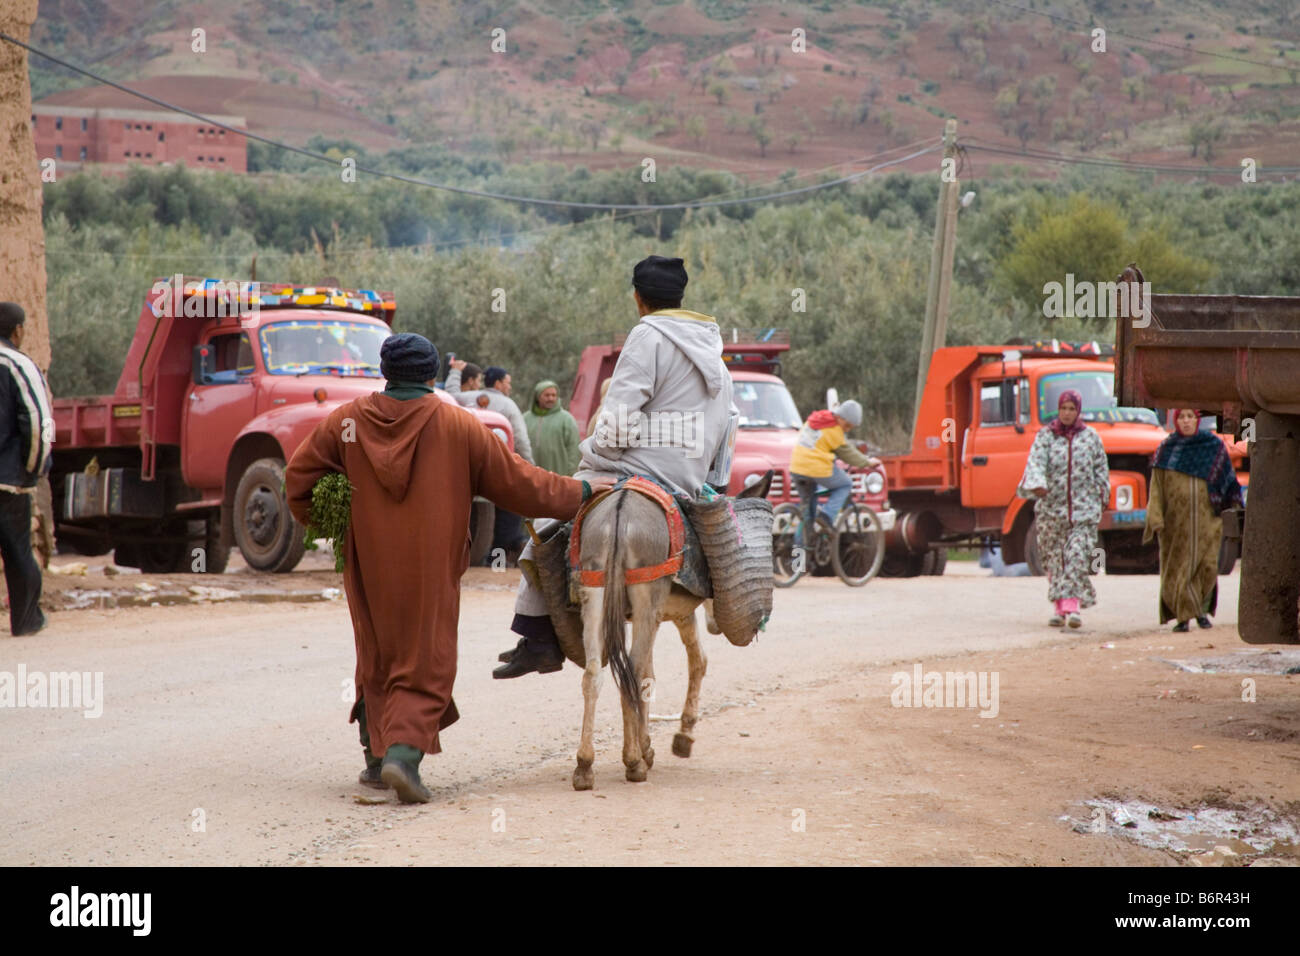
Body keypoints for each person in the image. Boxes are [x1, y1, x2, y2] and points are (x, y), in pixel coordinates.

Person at [285, 333, 612, 803]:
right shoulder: (459, 426)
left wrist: (332, 520)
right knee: (425, 657)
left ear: (386, 372)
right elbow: (521, 485)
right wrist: (580, 493)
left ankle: (376, 761)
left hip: (368, 562)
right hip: (431, 565)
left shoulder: (346, 423)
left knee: (377, 651)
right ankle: (402, 757)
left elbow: (298, 479)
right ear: (432, 375)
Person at [494, 254, 736, 678]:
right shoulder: (715, 354)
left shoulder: (647, 336)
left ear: (639, 299)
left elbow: (619, 420)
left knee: (545, 532)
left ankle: (538, 640)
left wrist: (592, 455)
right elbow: (725, 428)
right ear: (680, 297)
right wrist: (700, 477)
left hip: (635, 469)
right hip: (690, 480)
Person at [1017, 389, 1110, 629]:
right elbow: (1035, 463)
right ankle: (1060, 609)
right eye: (1063, 409)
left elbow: (1101, 470)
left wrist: (1102, 496)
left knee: (1077, 557)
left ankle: (1073, 608)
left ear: (1078, 411)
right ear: (1058, 411)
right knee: (1056, 562)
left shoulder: (1091, 438)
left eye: (1072, 409)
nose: (1067, 413)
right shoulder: (1046, 437)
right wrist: (1037, 484)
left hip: (1083, 512)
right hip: (1052, 512)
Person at [1143, 409, 1242, 632]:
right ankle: (1184, 616)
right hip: (1175, 525)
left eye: (1190, 416)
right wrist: (1156, 517)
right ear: (1175, 421)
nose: (1186, 421)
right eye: (1181, 417)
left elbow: (1228, 480)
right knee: (1180, 568)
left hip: (1208, 520)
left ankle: (1201, 612)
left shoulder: (1213, 448)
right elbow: (1156, 487)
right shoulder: (1166, 450)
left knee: (1206, 565)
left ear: (1198, 420)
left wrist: (1234, 507)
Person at [0, 303, 53, 637]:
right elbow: (39, 422)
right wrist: (33, 468)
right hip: (8, 482)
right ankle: (26, 619)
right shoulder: (19, 364)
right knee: (18, 552)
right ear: (17, 330)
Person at [788, 400, 881, 525]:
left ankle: (802, 543)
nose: (846, 430)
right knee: (845, 484)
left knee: (808, 511)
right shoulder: (834, 429)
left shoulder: (814, 420)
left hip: (796, 467)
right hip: (816, 469)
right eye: (847, 425)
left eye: (850, 427)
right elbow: (847, 453)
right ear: (839, 417)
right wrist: (867, 462)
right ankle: (827, 516)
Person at [445, 360, 534, 464]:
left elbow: (450, 395)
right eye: (508, 383)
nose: (510, 387)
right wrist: (530, 465)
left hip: (466, 460)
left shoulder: (468, 397)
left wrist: (455, 372)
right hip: (498, 463)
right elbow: (520, 440)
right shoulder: (509, 405)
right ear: (498, 384)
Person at [523, 379, 581, 477]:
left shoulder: (567, 419)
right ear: (537, 397)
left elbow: (574, 449)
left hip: (559, 477)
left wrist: (571, 474)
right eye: (547, 395)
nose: (551, 398)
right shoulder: (525, 419)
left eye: (554, 395)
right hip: (530, 477)